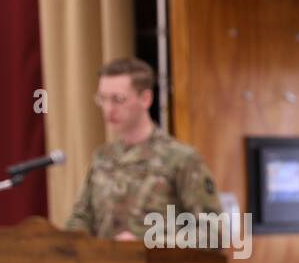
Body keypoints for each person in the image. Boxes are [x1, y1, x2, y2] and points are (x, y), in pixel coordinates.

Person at [64, 57, 221, 240]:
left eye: (118, 99)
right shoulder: (102, 158)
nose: (108, 109)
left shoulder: (180, 159)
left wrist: (150, 244)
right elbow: (80, 218)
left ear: (145, 99)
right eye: (102, 99)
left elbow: (213, 233)